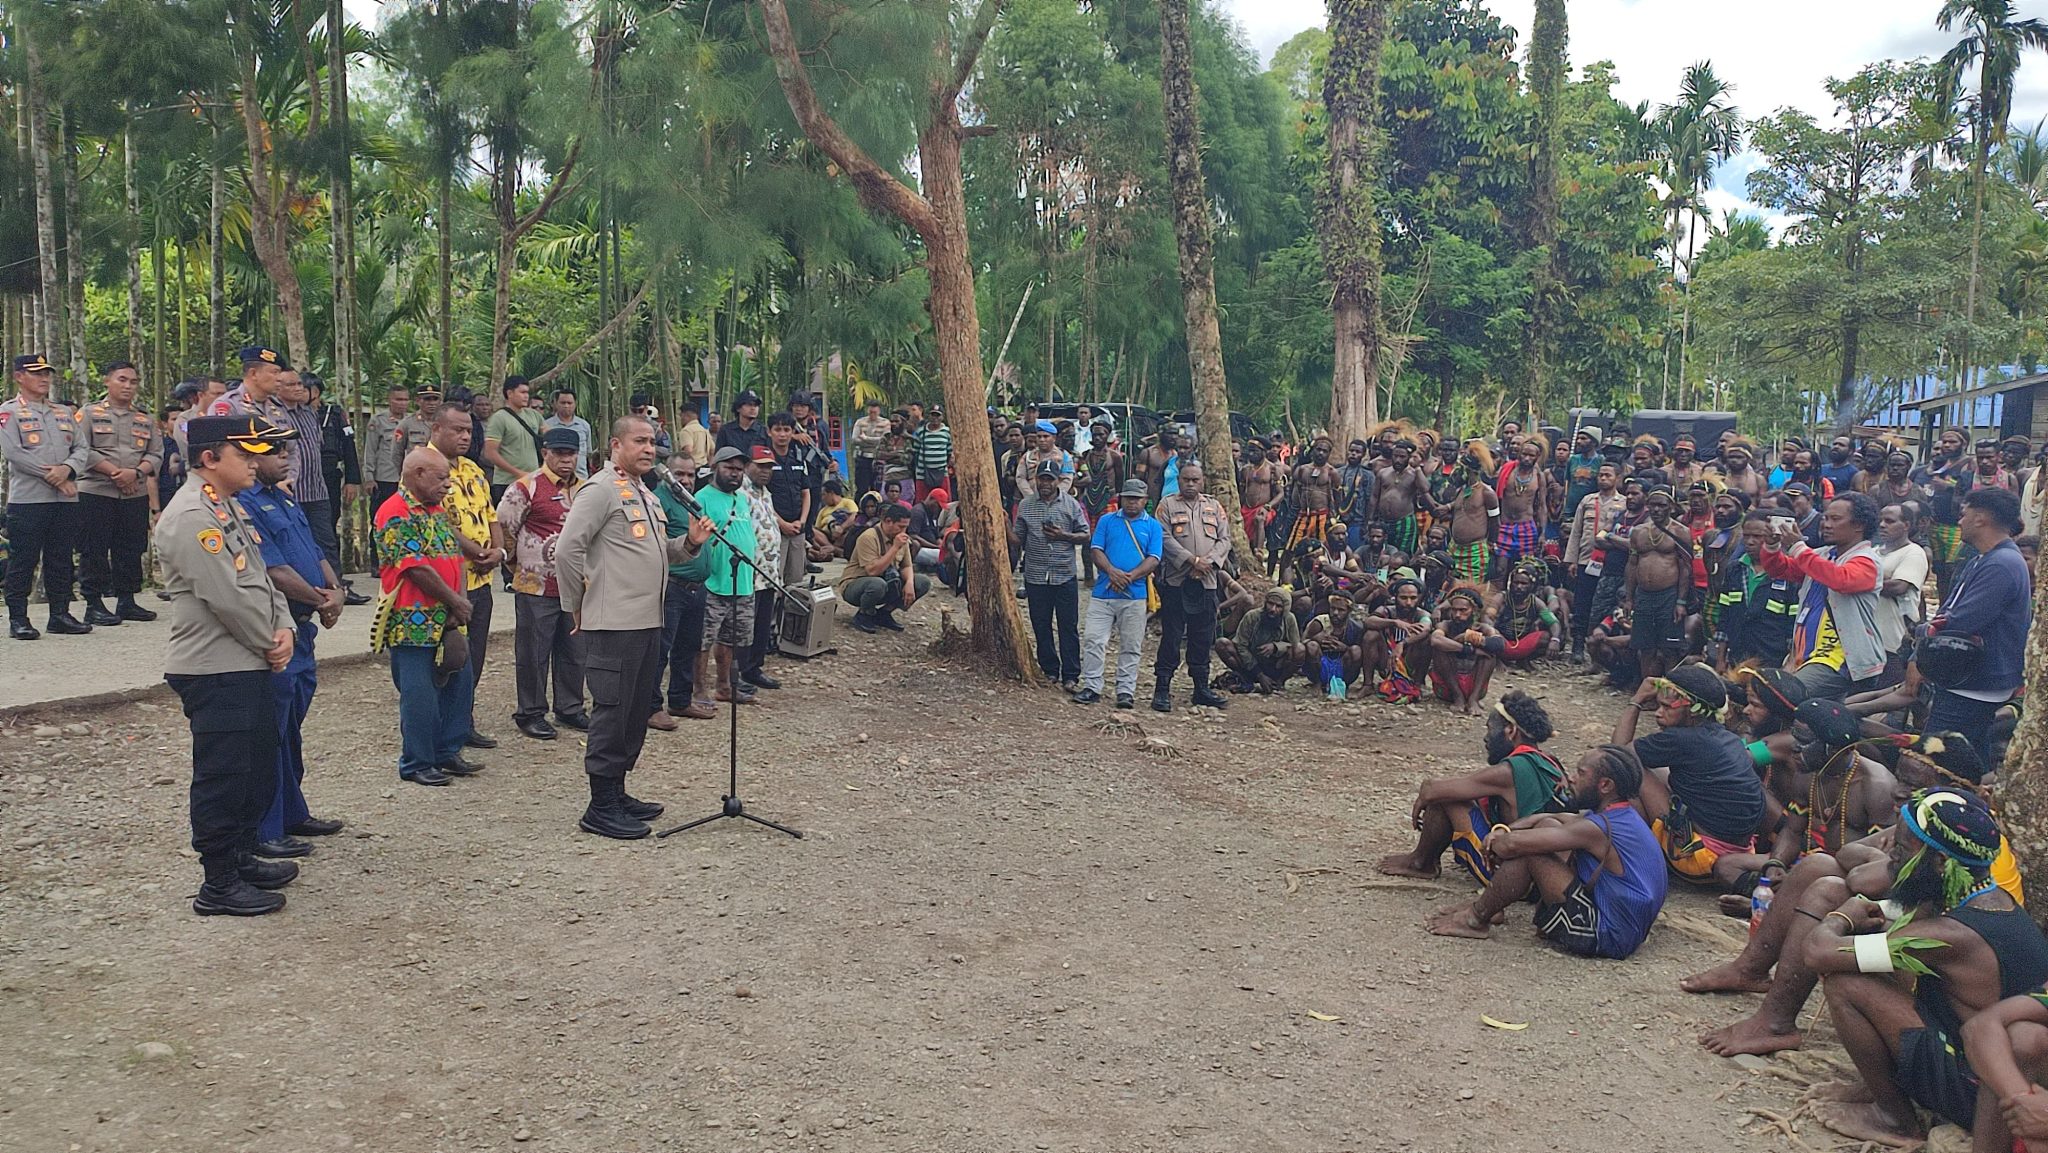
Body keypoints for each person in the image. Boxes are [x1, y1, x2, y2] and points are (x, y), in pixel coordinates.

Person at [1805, 790, 2048, 1146]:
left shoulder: (1952, 935)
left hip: (1979, 1089)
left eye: (1902, 850)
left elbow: (1818, 953)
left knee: (1847, 984)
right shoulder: (1991, 901)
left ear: (1938, 862)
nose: (1892, 855)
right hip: (1994, 1071)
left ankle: (1894, 1118)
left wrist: (1841, 917)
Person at [157, 416, 301, 915]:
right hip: (216, 666)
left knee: (255, 768)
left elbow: (261, 579)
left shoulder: (227, 506)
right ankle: (217, 882)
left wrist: (285, 628)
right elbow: (228, 598)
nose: (254, 462)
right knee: (223, 775)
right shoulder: (192, 516)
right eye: (243, 454)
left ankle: (240, 856)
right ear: (209, 459)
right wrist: (270, 640)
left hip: (248, 660)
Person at [555, 416, 713, 840]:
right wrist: (575, 605)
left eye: (652, 442)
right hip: (615, 621)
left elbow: (658, 552)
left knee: (636, 710)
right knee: (612, 710)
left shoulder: (647, 494)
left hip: (648, 619)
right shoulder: (600, 490)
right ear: (615, 444)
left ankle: (618, 791)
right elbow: (568, 549)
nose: (648, 448)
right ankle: (599, 805)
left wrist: (691, 543)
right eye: (639, 441)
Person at [1424, 744, 1669, 960]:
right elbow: (1551, 817)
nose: (1572, 778)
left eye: (1581, 773)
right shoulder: (1621, 815)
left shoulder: (1598, 829)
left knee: (1531, 851)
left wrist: (1499, 840)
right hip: (1627, 930)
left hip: (1609, 937)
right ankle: (1489, 906)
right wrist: (1505, 829)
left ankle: (1476, 918)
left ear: (1605, 785)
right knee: (1547, 828)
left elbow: (1511, 846)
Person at [236, 426, 348, 859]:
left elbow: (314, 549)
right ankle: (266, 826)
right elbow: (275, 572)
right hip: (279, 624)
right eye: (274, 451)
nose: (284, 457)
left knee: (292, 729)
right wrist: (322, 599)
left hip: (304, 628)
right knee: (272, 730)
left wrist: (334, 588)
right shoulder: (245, 503)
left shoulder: (283, 497)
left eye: (286, 449)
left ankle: (292, 811)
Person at [1379, 690, 1571, 881]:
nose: (1486, 738)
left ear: (1511, 731)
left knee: (1447, 798)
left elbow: (1432, 790)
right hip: (1548, 871)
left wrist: (1423, 799)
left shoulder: (1508, 771)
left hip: (1516, 875)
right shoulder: (1550, 761)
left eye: (1490, 729)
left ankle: (1421, 862)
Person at [374, 448, 479, 788]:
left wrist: (458, 601)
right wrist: (454, 601)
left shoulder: (435, 512)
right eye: (441, 478)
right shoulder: (394, 512)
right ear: (417, 473)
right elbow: (414, 567)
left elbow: (455, 556)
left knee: (459, 679)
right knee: (419, 693)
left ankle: (447, 749)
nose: (448, 485)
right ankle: (417, 761)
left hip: (448, 614)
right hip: (412, 619)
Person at [1612, 664, 1767, 887]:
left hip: (1699, 855)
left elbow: (1617, 755)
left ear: (1693, 710)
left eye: (1666, 707)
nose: (1658, 712)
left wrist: (1636, 701)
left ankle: (1632, 853)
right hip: (1742, 851)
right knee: (1656, 769)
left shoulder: (1681, 740)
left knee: (1631, 768)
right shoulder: (1726, 737)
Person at [1923, 487, 2033, 774]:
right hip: (1973, 680)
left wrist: (1930, 630)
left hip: (1976, 684)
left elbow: (1961, 621)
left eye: (1964, 514)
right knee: (1973, 758)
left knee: (1934, 758)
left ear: (1981, 517)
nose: (1959, 522)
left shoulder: (2002, 564)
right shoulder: (1986, 558)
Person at [498, 426, 590, 740]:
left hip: (576, 585)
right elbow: (504, 527)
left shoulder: (587, 489)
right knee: (533, 652)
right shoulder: (525, 488)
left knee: (575, 651)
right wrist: (515, 567)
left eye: (571, 454)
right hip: (536, 585)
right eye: (559, 453)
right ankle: (531, 712)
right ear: (545, 453)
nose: (566, 460)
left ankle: (570, 707)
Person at [427, 405, 507, 749]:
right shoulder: (423, 467)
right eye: (456, 430)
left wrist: (498, 551)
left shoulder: (473, 469)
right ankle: (440, 729)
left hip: (482, 581)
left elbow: (491, 515)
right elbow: (438, 521)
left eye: (469, 432)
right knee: (448, 657)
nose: (464, 437)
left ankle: (463, 723)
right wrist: (476, 552)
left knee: (474, 655)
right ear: (436, 429)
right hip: (449, 583)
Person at [1761, 492, 1887, 701]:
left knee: (1781, 697)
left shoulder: (1867, 560)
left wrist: (1798, 547)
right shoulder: (1823, 554)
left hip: (1839, 659)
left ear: (1859, 525)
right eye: (1826, 518)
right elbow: (1781, 569)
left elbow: (1841, 579)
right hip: (1807, 655)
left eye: (1835, 519)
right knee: (1818, 720)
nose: (1826, 524)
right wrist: (1772, 545)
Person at [1, 353, 91, 638]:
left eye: (47, 373)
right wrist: (52, 477)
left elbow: (82, 448)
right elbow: (13, 452)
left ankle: (60, 614)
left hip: (65, 499)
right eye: (36, 373)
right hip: (28, 501)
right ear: (19, 377)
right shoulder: (9, 412)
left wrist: (66, 470)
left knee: (61, 558)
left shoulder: (63, 412)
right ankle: (18, 619)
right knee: (23, 559)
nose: (44, 378)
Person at [76, 361, 164, 626]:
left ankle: (127, 600)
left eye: (133, 382)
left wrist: (135, 474)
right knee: (94, 548)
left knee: (130, 548)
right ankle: (94, 603)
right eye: (122, 380)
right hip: (96, 491)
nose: (128, 386)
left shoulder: (145, 418)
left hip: (133, 493)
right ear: (107, 381)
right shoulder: (89, 413)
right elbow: (81, 448)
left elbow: (156, 453)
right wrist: (115, 472)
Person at [1152, 461, 1232, 712]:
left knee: (1202, 636)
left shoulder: (1214, 506)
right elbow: (1163, 537)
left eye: (1195, 480)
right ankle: (1162, 689)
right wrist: (1191, 561)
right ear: (1179, 480)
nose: (1190, 484)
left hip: (1207, 582)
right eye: (1186, 479)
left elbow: (1224, 539)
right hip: (1177, 580)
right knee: (1172, 635)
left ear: (1202, 481)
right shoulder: (1166, 505)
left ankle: (1201, 688)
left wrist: (1208, 562)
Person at [1072, 480, 1160, 709]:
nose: (1132, 502)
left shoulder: (1153, 526)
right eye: (1128, 497)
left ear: (1145, 500)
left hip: (1135, 593)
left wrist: (1129, 577)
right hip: (1104, 591)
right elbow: (1095, 549)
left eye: (1137, 498)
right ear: (1121, 498)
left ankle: (1125, 690)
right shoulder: (1106, 520)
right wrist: (1111, 572)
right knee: (1093, 639)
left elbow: (1154, 558)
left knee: (1131, 644)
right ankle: (1092, 686)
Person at [1010, 461, 1089, 689]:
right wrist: (1004, 525)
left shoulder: (1071, 504)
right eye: (1041, 478)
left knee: (1068, 625)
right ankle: (1049, 670)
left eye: (1049, 479)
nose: (1045, 483)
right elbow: (1018, 540)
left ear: (1058, 480)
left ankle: (1071, 674)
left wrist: (1063, 535)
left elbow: (1085, 535)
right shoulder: (1026, 506)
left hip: (1064, 574)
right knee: (1041, 624)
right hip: (1035, 575)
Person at [1624, 487, 1692, 681]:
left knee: (1670, 648)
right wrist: (1629, 598)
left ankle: (1669, 692)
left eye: (1661, 505)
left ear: (1671, 507)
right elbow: (1632, 563)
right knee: (1645, 647)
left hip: (1668, 595)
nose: (1656, 510)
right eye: (1652, 505)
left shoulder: (1681, 532)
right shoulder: (1638, 532)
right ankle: (1647, 690)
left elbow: (1685, 568)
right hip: (1644, 595)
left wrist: (1681, 601)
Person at [1564, 461, 1626, 661]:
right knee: (1582, 602)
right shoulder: (1587, 501)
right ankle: (1578, 645)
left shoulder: (1624, 503)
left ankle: (1599, 647)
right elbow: (1576, 532)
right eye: (1601, 475)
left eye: (1608, 475)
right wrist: (1571, 560)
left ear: (1617, 478)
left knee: (1604, 605)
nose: (1604, 478)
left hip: (1611, 564)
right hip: (1585, 559)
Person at [840, 500, 932, 632]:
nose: (903, 531)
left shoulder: (901, 538)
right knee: (877, 584)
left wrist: (910, 583)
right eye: (900, 526)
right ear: (888, 521)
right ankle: (864, 614)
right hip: (857, 584)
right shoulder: (868, 537)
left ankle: (884, 613)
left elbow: (906, 565)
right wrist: (894, 548)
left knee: (922, 582)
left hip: (887, 581)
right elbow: (872, 571)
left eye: (905, 527)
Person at [1425, 585, 1499, 714]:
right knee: (1439, 649)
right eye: (1454, 610)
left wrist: (1469, 637)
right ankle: (1458, 697)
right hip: (1447, 689)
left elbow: (1499, 644)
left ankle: (1473, 700)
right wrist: (1468, 649)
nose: (1457, 615)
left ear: (1474, 610)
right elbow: (1435, 640)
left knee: (1490, 653)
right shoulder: (1445, 625)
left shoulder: (1483, 628)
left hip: (1475, 687)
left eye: (1463, 610)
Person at [1215, 586, 1302, 694]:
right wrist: (1259, 674)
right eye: (1270, 603)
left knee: (1300, 650)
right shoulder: (1252, 617)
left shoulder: (1289, 619)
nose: (1273, 609)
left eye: (1278, 606)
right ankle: (1245, 678)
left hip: (1275, 664)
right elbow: (1241, 645)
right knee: (1222, 644)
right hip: (1250, 663)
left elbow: (1294, 644)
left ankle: (1278, 683)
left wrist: (1276, 647)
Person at [482, 375, 543, 502]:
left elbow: (551, 437)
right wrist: (517, 472)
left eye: (527, 392)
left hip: (533, 480)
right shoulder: (499, 418)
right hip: (506, 482)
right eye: (522, 392)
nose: (526, 396)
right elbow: (490, 452)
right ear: (510, 393)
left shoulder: (534, 415)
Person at [368, 385, 410, 514]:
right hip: (385, 478)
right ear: (389, 400)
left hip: (408, 480)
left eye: (405, 400)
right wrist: (369, 477)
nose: (402, 403)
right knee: (381, 516)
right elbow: (370, 450)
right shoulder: (378, 421)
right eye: (398, 399)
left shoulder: (412, 421)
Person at [540, 388, 595, 479]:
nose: (566, 406)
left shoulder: (584, 426)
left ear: (575, 404)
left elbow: (589, 454)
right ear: (556, 404)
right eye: (563, 403)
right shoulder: (546, 425)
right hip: (553, 478)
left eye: (569, 403)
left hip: (580, 477)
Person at [909, 406, 954, 501]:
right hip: (923, 474)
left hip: (941, 473)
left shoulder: (947, 432)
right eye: (933, 415)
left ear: (942, 417)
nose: (935, 418)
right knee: (922, 500)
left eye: (938, 415)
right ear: (929, 416)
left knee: (944, 500)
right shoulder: (921, 431)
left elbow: (949, 451)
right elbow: (916, 451)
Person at [850, 400, 891, 496]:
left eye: (875, 412)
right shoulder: (860, 422)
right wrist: (874, 441)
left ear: (879, 411)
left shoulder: (885, 423)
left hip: (878, 459)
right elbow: (854, 440)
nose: (872, 415)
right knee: (861, 488)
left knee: (877, 488)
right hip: (862, 458)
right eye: (870, 412)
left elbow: (885, 440)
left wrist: (866, 439)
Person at [716, 389, 770, 460]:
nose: (753, 408)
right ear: (738, 408)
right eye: (749, 405)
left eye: (756, 405)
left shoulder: (764, 431)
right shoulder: (726, 430)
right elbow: (719, 456)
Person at [673, 402, 715, 472]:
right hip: (705, 468)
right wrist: (709, 466)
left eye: (681, 415)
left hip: (692, 469)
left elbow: (688, 450)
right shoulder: (704, 431)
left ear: (686, 415)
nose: (680, 418)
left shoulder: (686, 431)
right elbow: (712, 450)